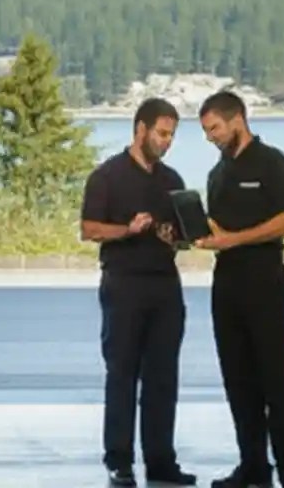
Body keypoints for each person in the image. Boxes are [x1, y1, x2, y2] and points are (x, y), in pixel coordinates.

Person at [194, 90, 284, 488]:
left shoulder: (271, 162)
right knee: (238, 379)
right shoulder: (218, 172)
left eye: (214, 128)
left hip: (264, 280)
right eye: (205, 131)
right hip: (226, 282)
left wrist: (235, 239)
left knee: (274, 379)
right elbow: (219, 229)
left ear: (237, 120)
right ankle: (253, 465)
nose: (210, 136)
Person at [80, 97, 197, 488]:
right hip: (123, 284)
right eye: (161, 133)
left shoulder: (171, 180)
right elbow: (89, 229)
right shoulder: (107, 176)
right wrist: (127, 230)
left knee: (163, 376)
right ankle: (119, 461)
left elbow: (183, 238)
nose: (166, 142)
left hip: (165, 285)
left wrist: (173, 236)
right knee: (122, 373)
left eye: (172, 136)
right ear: (140, 129)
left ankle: (161, 462)